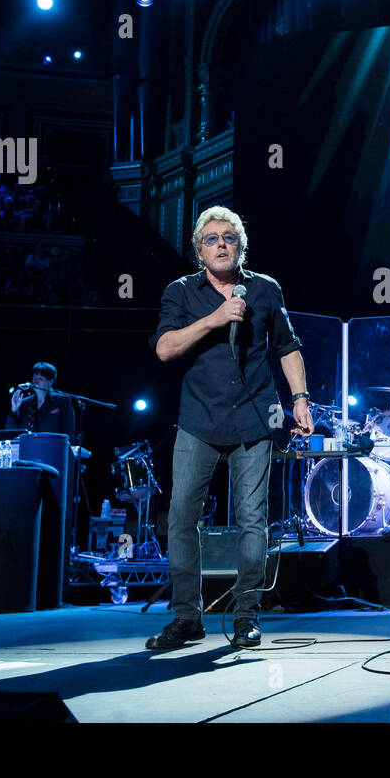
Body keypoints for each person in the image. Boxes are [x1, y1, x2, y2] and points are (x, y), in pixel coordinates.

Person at [147, 206, 313, 650]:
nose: (221, 244)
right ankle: (187, 618)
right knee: (182, 516)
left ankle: (246, 617)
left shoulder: (265, 289)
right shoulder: (181, 292)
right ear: (199, 250)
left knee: (253, 521)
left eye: (229, 238)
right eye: (211, 239)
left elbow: (287, 347)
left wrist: (299, 399)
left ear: (241, 246)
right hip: (199, 420)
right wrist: (215, 319)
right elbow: (165, 348)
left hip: (255, 420)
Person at [6, 361, 76, 441]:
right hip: (28, 448)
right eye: (34, 378)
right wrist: (14, 410)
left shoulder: (62, 400)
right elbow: (10, 432)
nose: (36, 381)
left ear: (50, 382)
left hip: (53, 448)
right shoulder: (25, 403)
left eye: (40, 378)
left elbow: (69, 433)